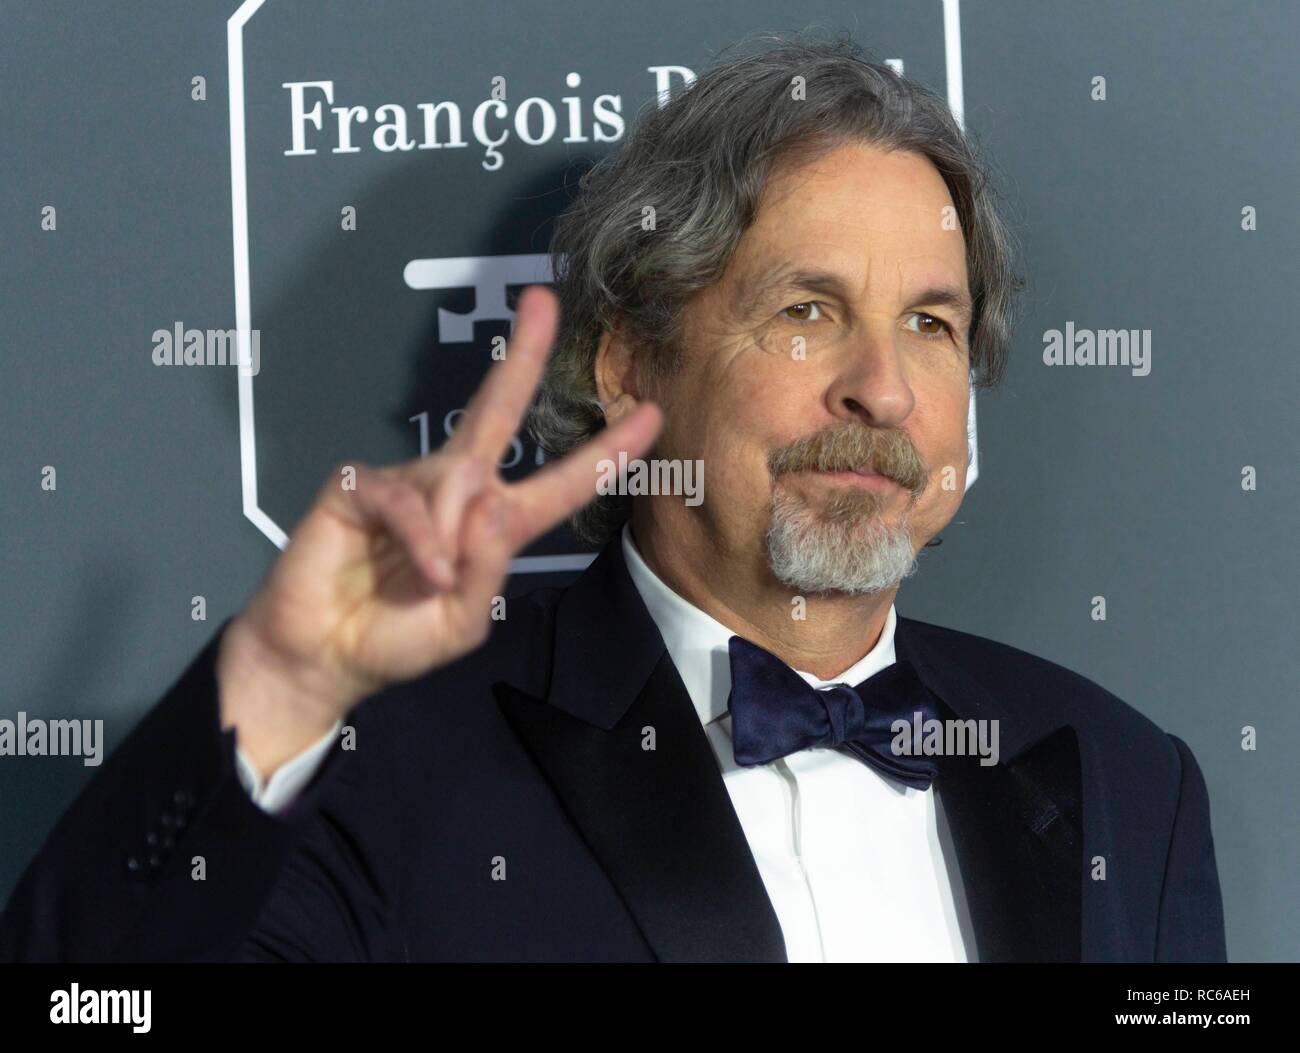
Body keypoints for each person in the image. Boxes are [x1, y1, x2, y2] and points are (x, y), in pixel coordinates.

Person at [0, 38, 1225, 963]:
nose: (882, 390)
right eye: (806, 312)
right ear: (630, 364)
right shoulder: (383, 764)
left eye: (930, 324)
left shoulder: (1128, 779)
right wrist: (274, 691)